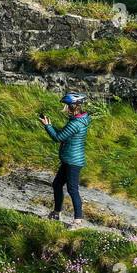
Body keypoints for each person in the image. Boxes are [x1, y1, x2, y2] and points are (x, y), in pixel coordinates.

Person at [39, 92, 90, 223]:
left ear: (72, 107)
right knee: (57, 184)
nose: (64, 108)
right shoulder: (79, 120)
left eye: (66, 106)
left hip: (73, 162)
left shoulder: (75, 124)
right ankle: (56, 213)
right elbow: (64, 134)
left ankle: (78, 220)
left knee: (72, 189)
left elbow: (58, 137)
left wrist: (47, 127)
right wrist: (50, 125)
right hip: (69, 159)